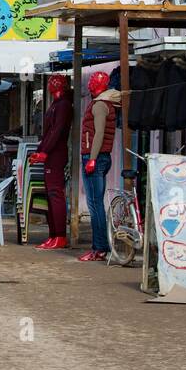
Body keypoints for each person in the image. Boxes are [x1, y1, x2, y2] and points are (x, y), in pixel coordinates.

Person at [79, 71, 119, 262]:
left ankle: (100, 248)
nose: (90, 85)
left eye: (92, 82)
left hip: (95, 157)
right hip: (100, 156)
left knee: (94, 205)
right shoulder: (105, 103)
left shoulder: (100, 105)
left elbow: (99, 133)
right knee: (96, 203)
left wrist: (92, 158)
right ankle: (100, 246)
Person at [31, 75, 73, 250]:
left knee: (55, 195)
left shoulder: (63, 106)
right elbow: (49, 132)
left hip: (56, 155)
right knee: (50, 195)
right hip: (50, 154)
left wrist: (44, 151)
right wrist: (40, 151)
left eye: (53, 82)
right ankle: (53, 235)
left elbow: (57, 131)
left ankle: (60, 236)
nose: (50, 84)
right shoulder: (56, 104)